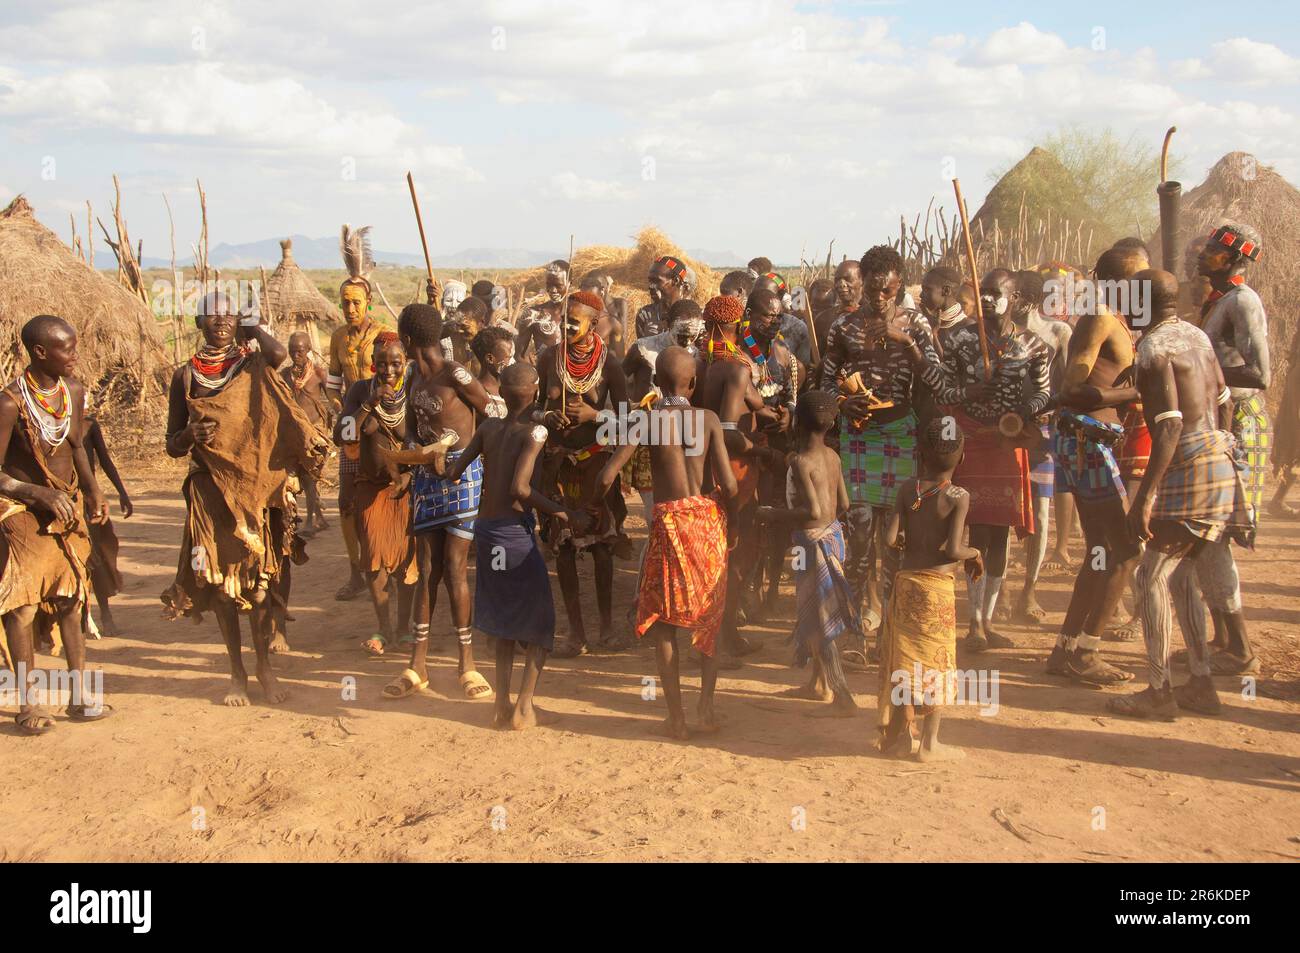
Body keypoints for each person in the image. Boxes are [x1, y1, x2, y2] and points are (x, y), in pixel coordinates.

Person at [162, 293, 326, 707]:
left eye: (229, 313)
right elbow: (171, 444)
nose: (221, 320)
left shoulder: (251, 363)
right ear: (199, 322)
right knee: (220, 584)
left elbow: (276, 352)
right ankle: (236, 672)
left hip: (256, 487)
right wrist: (188, 437)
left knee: (257, 584)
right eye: (213, 314)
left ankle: (263, 668)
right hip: (210, 489)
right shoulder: (186, 377)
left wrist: (250, 324)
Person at [1110, 269, 1246, 719]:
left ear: (1142, 303)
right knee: (1184, 575)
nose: (1123, 308)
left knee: (1149, 577)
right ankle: (1201, 684)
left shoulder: (1153, 348)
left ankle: (1160, 690)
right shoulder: (1196, 337)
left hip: (1188, 467)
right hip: (1216, 463)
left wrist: (1146, 496)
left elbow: (1168, 426)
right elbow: (1224, 398)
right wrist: (1219, 450)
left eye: (1129, 298)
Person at [591, 346, 737, 738]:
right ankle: (706, 707)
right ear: (693, 384)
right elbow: (731, 484)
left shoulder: (647, 421)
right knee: (710, 617)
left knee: (665, 623)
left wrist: (594, 507)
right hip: (705, 524)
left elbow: (607, 477)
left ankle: (676, 717)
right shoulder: (707, 419)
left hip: (668, 526)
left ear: (657, 383)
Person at [817, 245, 943, 662]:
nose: (879, 298)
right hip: (859, 435)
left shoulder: (917, 325)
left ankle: (892, 633)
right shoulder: (844, 326)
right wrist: (841, 402)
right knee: (859, 536)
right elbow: (827, 379)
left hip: (901, 435)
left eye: (887, 291)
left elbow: (937, 379)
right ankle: (855, 636)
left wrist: (906, 342)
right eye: (872, 291)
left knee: (895, 542)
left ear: (899, 285)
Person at [443, 362, 580, 729]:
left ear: (501, 393)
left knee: (503, 621)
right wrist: (561, 512)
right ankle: (524, 708)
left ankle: (501, 704)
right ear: (535, 391)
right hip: (514, 534)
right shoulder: (535, 432)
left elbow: (454, 471)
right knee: (540, 623)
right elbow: (520, 488)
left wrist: (435, 457)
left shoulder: (488, 427)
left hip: (487, 532)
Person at [0, 315, 111, 733]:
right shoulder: (9, 402)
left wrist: (94, 490)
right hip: (23, 511)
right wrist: (39, 494)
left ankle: (80, 696)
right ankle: (28, 704)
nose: (75, 355)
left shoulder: (74, 392)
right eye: (67, 348)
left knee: (72, 599)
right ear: (40, 352)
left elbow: (77, 446)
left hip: (67, 509)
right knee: (23, 605)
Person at [930, 268, 1050, 652]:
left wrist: (1021, 414)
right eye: (982, 292)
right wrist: (970, 390)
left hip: (1007, 444)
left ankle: (987, 620)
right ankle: (971, 624)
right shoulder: (960, 340)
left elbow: (1045, 393)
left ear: (1014, 298)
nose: (985, 299)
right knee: (975, 530)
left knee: (999, 535)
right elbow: (941, 387)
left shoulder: (1033, 345)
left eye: (995, 293)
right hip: (971, 441)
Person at [1042, 247, 1146, 685]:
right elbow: (1073, 386)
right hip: (1090, 440)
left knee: (1103, 550)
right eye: (1143, 277)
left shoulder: (1113, 317)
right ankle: (1085, 652)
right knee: (1124, 550)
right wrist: (1136, 392)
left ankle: (1066, 648)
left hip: (1091, 441)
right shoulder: (1102, 316)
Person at [395, 305, 496, 699]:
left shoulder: (456, 374)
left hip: (463, 474)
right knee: (426, 568)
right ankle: (416, 664)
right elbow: (413, 429)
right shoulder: (412, 377)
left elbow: (496, 412)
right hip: (426, 477)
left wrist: (459, 445)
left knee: (454, 568)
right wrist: (407, 456)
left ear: (407, 340)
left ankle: (467, 665)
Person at [879, 417, 981, 760]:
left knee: (906, 659)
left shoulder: (908, 489)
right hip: (937, 586)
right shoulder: (958, 496)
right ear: (963, 457)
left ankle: (903, 732)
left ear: (920, 453)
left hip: (907, 583)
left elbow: (890, 539)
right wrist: (975, 553)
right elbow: (953, 550)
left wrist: (910, 541)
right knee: (937, 662)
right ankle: (929, 744)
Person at [537, 291, 631, 657]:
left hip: (595, 465)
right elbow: (532, 409)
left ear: (594, 323)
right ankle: (576, 634)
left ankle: (606, 629)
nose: (565, 326)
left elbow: (630, 422)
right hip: (558, 465)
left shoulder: (611, 366)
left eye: (573, 321)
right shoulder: (548, 358)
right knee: (562, 546)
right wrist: (547, 416)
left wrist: (596, 416)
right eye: (564, 319)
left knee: (601, 547)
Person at [756, 390, 860, 716]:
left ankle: (840, 692)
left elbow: (810, 509)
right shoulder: (833, 457)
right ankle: (818, 683)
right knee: (820, 611)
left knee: (818, 620)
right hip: (833, 538)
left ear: (798, 421)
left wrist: (773, 514)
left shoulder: (802, 462)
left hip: (810, 542)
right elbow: (842, 504)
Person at [1195, 222, 1269, 674]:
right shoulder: (1219, 301)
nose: (1204, 256)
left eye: (1213, 252)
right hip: (1220, 419)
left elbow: (1260, 375)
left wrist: (1206, 377)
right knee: (1209, 531)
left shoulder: (1243, 301)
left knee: (1215, 530)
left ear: (1234, 260)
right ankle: (1223, 640)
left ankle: (1240, 648)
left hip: (1238, 423)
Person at [698, 293, 787, 661]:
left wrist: (769, 413)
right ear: (740, 326)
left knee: (718, 554)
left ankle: (721, 634)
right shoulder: (736, 368)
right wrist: (765, 452)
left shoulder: (703, 364)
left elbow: (747, 406)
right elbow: (730, 431)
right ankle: (720, 638)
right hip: (732, 472)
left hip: (707, 470)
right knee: (734, 554)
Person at [334, 332, 418, 659]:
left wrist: (410, 476)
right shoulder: (359, 391)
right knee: (375, 562)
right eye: (382, 364)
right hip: (370, 489)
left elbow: (427, 439)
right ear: (373, 364)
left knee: (407, 562)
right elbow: (341, 434)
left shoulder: (414, 391)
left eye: (396, 363)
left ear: (406, 362)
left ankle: (404, 628)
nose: (389, 370)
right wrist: (369, 405)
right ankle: (383, 627)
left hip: (407, 488)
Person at [326, 225, 386, 601]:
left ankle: (389, 564)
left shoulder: (384, 335)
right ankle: (356, 571)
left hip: (381, 427)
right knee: (347, 501)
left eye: (356, 303)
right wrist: (342, 410)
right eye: (345, 302)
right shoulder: (336, 338)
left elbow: (396, 379)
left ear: (368, 305)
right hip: (350, 428)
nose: (350, 308)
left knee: (385, 495)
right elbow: (334, 383)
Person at [1011, 269, 1072, 626]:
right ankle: (998, 586)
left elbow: (1065, 384)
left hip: (1043, 432)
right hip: (1003, 431)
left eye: (1015, 295)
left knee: (1042, 513)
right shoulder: (995, 335)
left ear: (1030, 300)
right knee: (1003, 511)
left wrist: (1044, 414)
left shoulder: (1058, 333)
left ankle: (1028, 589)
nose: (1007, 300)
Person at [81, 410, 132, 637]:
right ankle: (79, 616)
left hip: (89, 500)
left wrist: (122, 492)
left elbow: (105, 460)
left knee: (98, 558)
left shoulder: (88, 424)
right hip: (61, 499)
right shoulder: (47, 425)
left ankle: (105, 614)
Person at [281, 331, 331, 538]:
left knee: (310, 478)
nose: (296, 355)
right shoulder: (285, 375)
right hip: (294, 433)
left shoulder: (319, 373)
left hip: (315, 433)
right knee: (298, 477)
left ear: (309, 350)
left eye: (300, 351)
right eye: (292, 351)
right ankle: (317, 516)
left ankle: (311, 520)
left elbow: (334, 398)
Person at [516, 260, 568, 364]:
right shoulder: (533, 314)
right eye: (549, 284)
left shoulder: (581, 313)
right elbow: (519, 356)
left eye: (558, 285)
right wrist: (537, 374)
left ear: (570, 283)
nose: (552, 290)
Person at [637, 256, 693, 338]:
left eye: (657, 281)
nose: (651, 286)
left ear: (675, 281)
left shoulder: (694, 315)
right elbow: (640, 348)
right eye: (650, 281)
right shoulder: (645, 315)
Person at [471, 325, 515, 421]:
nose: (513, 362)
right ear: (490, 359)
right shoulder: (475, 393)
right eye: (509, 357)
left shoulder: (514, 386)